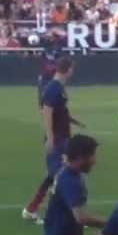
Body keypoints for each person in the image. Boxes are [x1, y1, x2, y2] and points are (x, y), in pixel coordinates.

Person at [24, 55, 83, 224]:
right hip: (58, 140)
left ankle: (31, 209)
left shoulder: (58, 87)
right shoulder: (54, 88)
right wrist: (50, 138)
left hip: (61, 137)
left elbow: (58, 110)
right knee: (63, 177)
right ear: (69, 69)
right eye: (72, 68)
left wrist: (72, 120)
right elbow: (47, 111)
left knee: (53, 176)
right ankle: (64, 215)